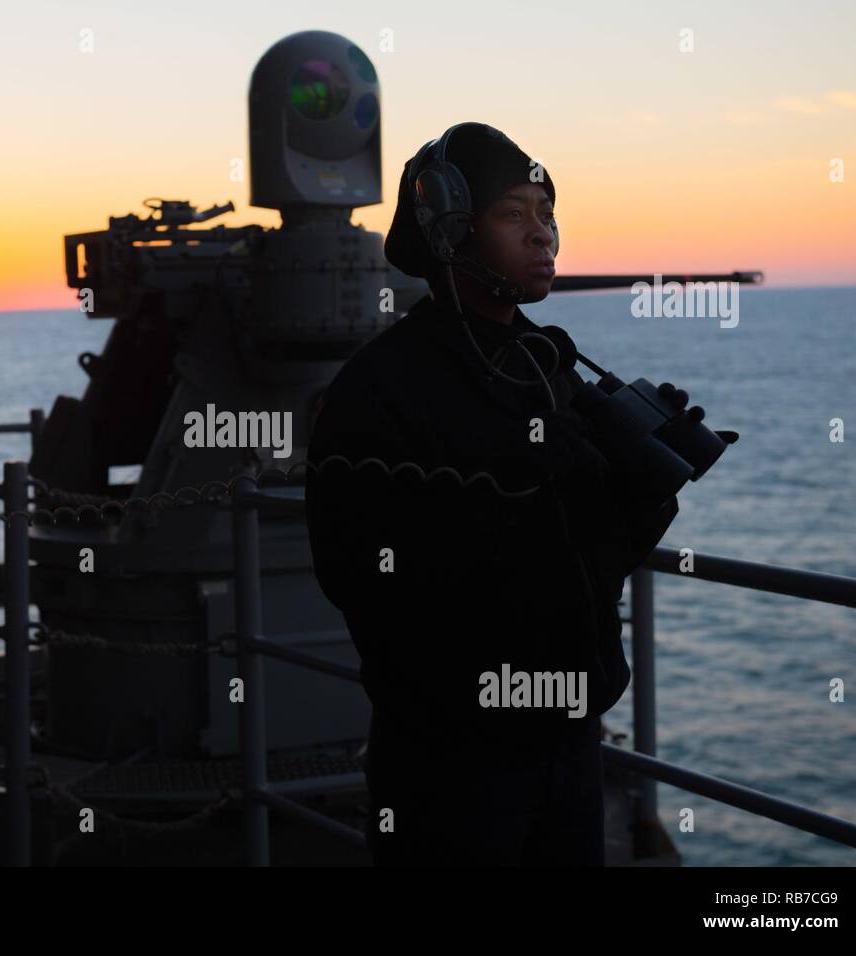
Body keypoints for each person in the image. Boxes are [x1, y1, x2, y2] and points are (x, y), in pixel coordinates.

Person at [304, 123, 682, 866]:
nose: (543, 236)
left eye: (547, 214)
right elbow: (360, 577)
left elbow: (591, 565)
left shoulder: (544, 366)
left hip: (568, 746)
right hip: (452, 767)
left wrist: (644, 494)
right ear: (449, 226)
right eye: (514, 215)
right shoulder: (381, 388)